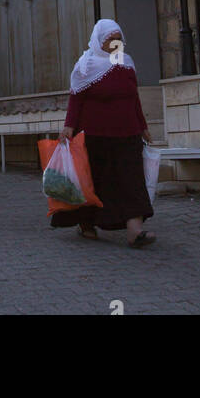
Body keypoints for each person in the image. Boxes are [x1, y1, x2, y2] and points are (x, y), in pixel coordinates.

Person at [51, 17, 155, 246]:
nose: (116, 43)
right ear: (99, 41)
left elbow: (133, 98)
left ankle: (134, 230)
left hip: (128, 133)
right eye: (110, 39)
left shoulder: (126, 64)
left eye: (119, 39)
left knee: (132, 180)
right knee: (93, 182)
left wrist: (143, 126)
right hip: (95, 135)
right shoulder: (85, 66)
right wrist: (69, 127)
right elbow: (76, 99)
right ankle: (86, 223)